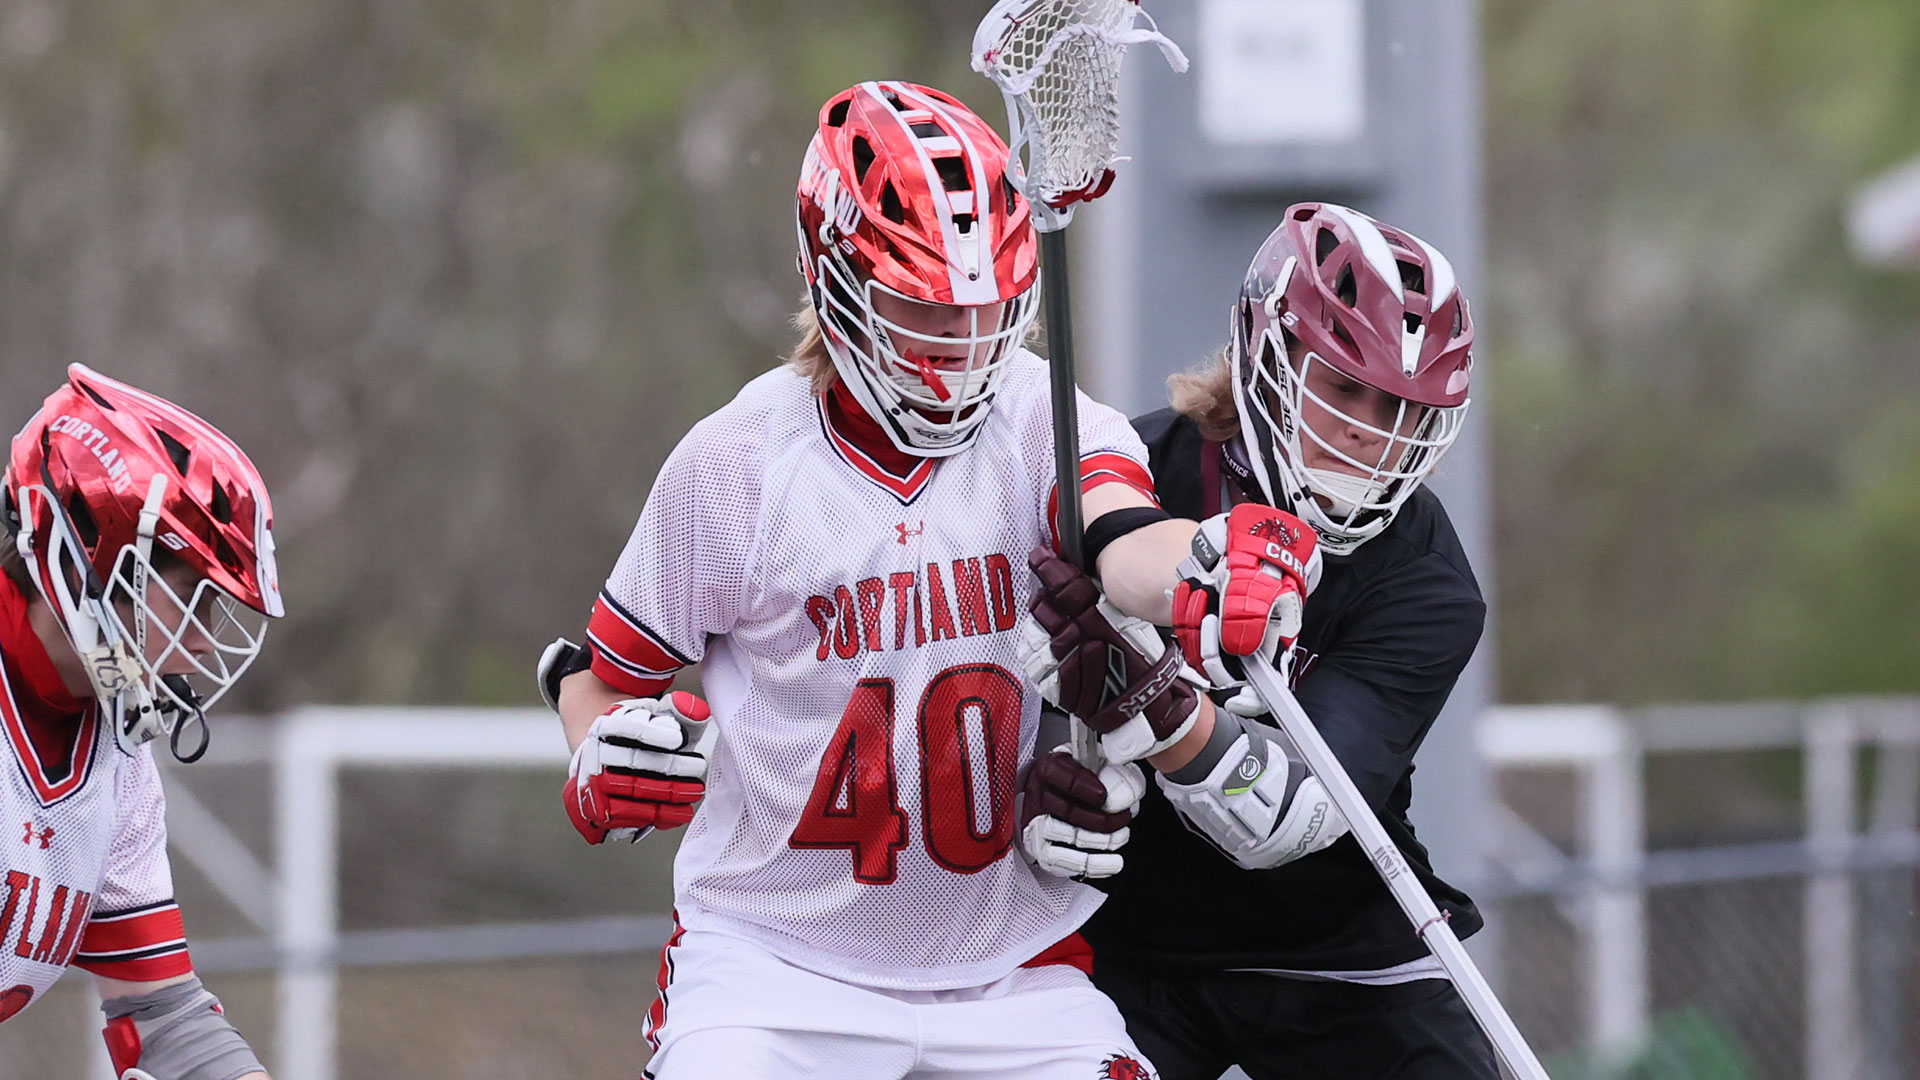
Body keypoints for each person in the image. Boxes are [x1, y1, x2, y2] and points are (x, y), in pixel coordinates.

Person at [534, 81, 1240, 1080]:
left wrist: (1214, 565)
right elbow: (602, 676)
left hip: (1015, 966)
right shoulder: (733, 466)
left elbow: (1127, 540)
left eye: (986, 309)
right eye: (920, 310)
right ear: (832, 282)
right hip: (775, 964)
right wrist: (599, 760)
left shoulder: (1050, 421)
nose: (959, 352)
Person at [1018, 203, 1501, 1079]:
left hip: (1336, 945)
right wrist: (1048, 778)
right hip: (1122, 942)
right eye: (1346, 386)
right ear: (1268, 362)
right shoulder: (1129, 470)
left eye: (1402, 403)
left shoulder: (1427, 583)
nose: (1373, 429)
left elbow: (1282, 819)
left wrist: (1154, 696)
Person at [0, 364, 282, 1080]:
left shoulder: (116, 762)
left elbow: (163, 1018)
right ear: (91, 559)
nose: (203, 639)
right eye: (193, 595)